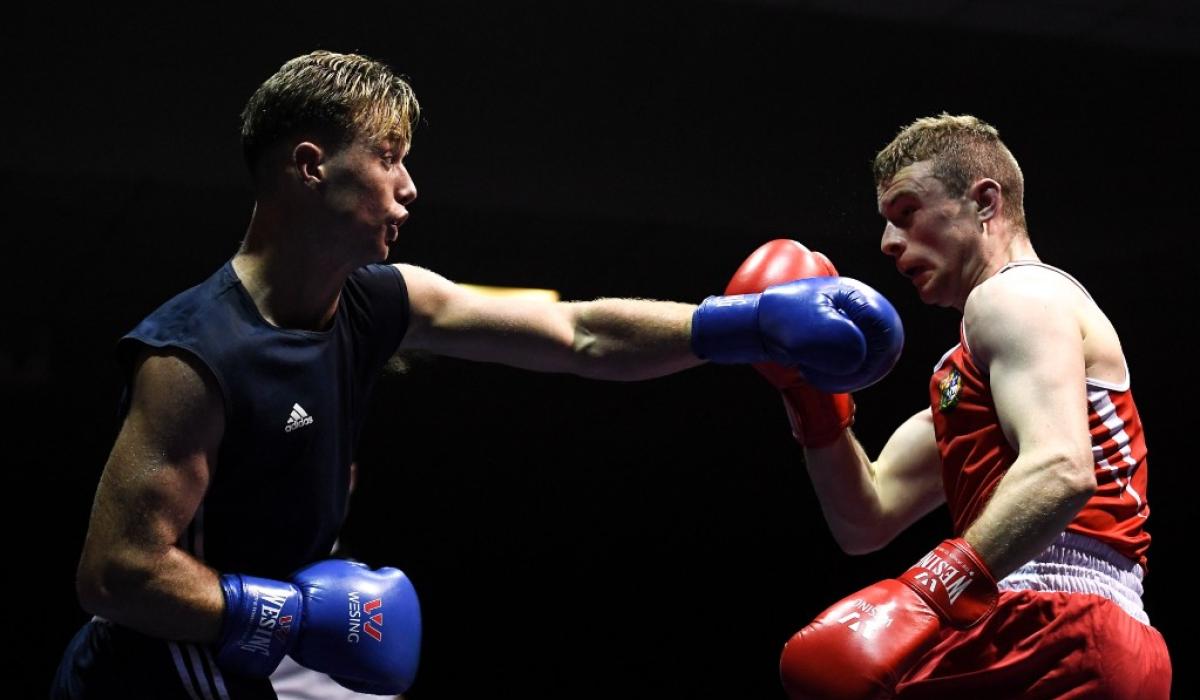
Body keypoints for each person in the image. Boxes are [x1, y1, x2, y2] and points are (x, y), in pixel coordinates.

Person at [51, 50, 904, 699]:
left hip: (276, 650)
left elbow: (575, 332)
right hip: (160, 668)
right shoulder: (195, 356)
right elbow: (115, 570)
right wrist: (294, 615)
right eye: (389, 157)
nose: (410, 187)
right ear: (310, 166)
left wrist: (739, 324)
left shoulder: (381, 301)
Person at [753, 115, 1171, 698]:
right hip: (1070, 630)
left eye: (906, 213)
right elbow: (866, 517)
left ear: (983, 201)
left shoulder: (1016, 294)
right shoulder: (973, 366)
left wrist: (925, 591)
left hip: (1053, 622)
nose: (888, 243)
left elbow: (1060, 470)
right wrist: (806, 390)